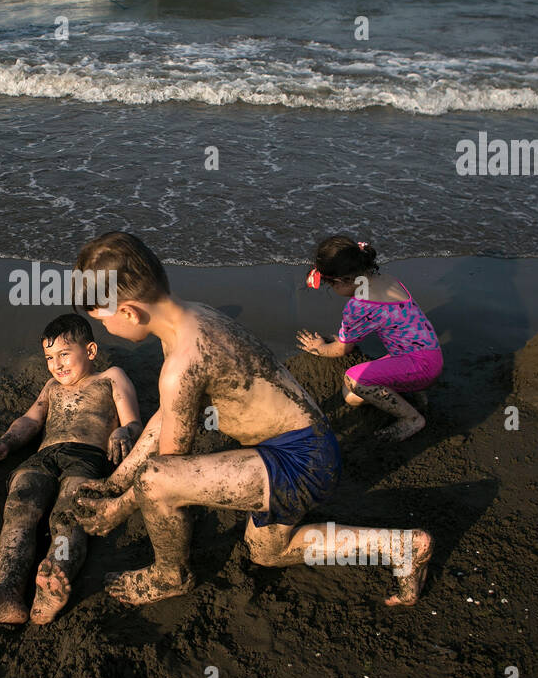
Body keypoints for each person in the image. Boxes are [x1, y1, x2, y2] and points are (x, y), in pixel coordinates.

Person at [71, 232, 432, 608]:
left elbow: (167, 470)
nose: (106, 330)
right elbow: (167, 413)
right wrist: (115, 482)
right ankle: (401, 547)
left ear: (128, 312)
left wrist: (120, 506)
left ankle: (169, 576)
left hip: (297, 463)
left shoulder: (181, 363)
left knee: (155, 480)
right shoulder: (196, 316)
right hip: (313, 446)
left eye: (103, 321)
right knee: (267, 552)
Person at [0, 313, 141, 624]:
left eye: (64, 354)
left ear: (91, 351)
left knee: (67, 513)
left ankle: (53, 580)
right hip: (44, 457)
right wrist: (5, 443)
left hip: (86, 456)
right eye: (49, 357)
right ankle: (9, 591)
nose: (56, 364)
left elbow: (134, 422)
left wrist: (123, 432)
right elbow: (30, 421)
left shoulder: (110, 377)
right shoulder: (51, 387)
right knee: (19, 508)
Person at [297, 236, 442, 442]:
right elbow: (380, 320)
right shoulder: (387, 280)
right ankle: (414, 392)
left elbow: (341, 350)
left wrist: (320, 347)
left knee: (353, 381)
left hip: (418, 366)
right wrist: (344, 337)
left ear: (341, 281)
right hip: (429, 355)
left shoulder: (359, 306)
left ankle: (411, 419)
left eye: (330, 285)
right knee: (351, 396)